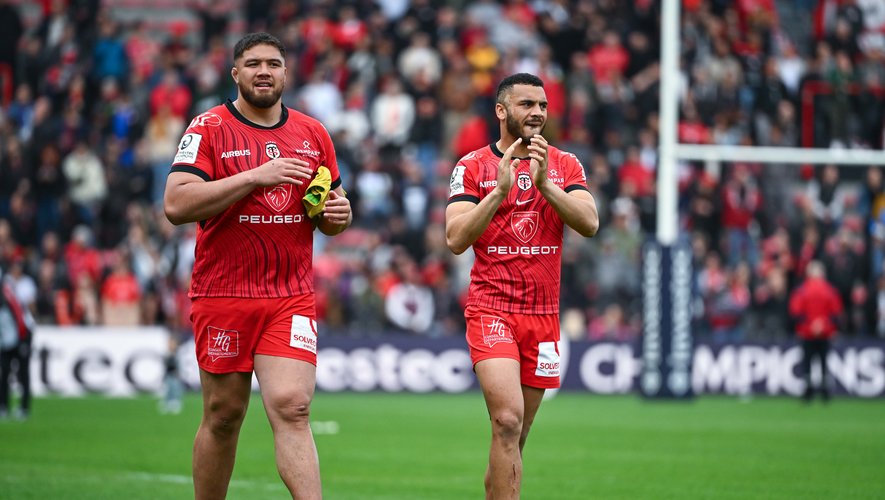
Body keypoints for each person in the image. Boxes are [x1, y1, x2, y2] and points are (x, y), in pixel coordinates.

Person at [163, 32, 352, 499]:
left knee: (293, 407)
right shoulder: (207, 128)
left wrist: (337, 215)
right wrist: (254, 177)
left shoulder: (313, 134)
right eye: (252, 64)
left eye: (272, 63)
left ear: (286, 72)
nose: (263, 71)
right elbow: (176, 203)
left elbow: (328, 205)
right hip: (223, 292)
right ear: (235, 73)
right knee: (224, 416)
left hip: (289, 296)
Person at [445, 73, 599, 498]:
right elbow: (455, 239)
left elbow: (589, 223)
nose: (536, 113)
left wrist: (545, 183)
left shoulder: (565, 164)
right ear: (501, 110)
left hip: (543, 316)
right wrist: (497, 192)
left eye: (542, 106)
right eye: (527, 104)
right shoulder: (472, 167)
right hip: (491, 309)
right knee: (508, 420)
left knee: (514, 436)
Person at [788, 260, 843, 402]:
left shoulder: (801, 291)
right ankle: (825, 391)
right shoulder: (830, 291)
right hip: (825, 333)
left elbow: (795, 314)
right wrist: (824, 325)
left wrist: (811, 325)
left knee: (808, 362)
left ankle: (808, 391)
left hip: (807, 333)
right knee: (823, 361)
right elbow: (836, 314)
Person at [0, 266, 33, 420]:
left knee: (23, 373)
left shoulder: (7, 295)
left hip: (21, 336)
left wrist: (23, 340)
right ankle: (3, 407)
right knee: (4, 373)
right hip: (6, 339)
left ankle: (24, 407)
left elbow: (20, 318)